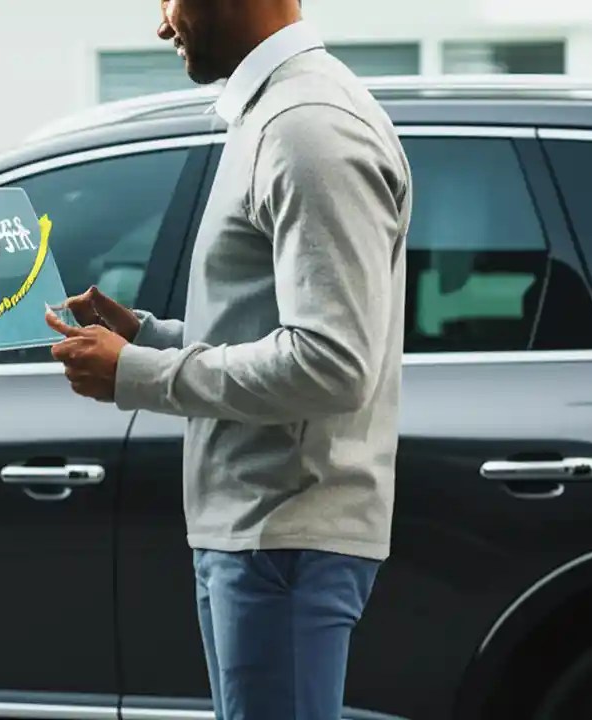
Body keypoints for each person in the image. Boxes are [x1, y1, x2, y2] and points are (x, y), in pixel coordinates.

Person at [44, 1, 412, 719]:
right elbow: (276, 329)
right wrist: (148, 338)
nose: (161, 24)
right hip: (259, 531)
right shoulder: (277, 115)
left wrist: (135, 374)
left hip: (285, 533)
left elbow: (332, 362)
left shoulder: (308, 127)